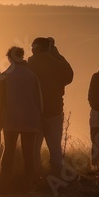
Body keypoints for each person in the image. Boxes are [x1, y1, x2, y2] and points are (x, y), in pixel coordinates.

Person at [26, 37, 74, 178]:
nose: (31, 49)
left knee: (35, 148)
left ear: (37, 48)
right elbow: (69, 76)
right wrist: (56, 54)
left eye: (33, 46)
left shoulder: (31, 63)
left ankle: (35, 174)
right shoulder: (57, 63)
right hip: (55, 110)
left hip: (35, 111)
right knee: (55, 147)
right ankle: (56, 174)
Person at [0, 46, 42, 191]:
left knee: (9, 149)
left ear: (9, 57)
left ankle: (5, 181)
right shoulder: (32, 76)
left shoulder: (4, 76)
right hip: (30, 118)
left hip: (11, 118)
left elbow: (0, 101)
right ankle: (28, 184)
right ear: (22, 56)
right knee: (29, 152)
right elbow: (38, 100)